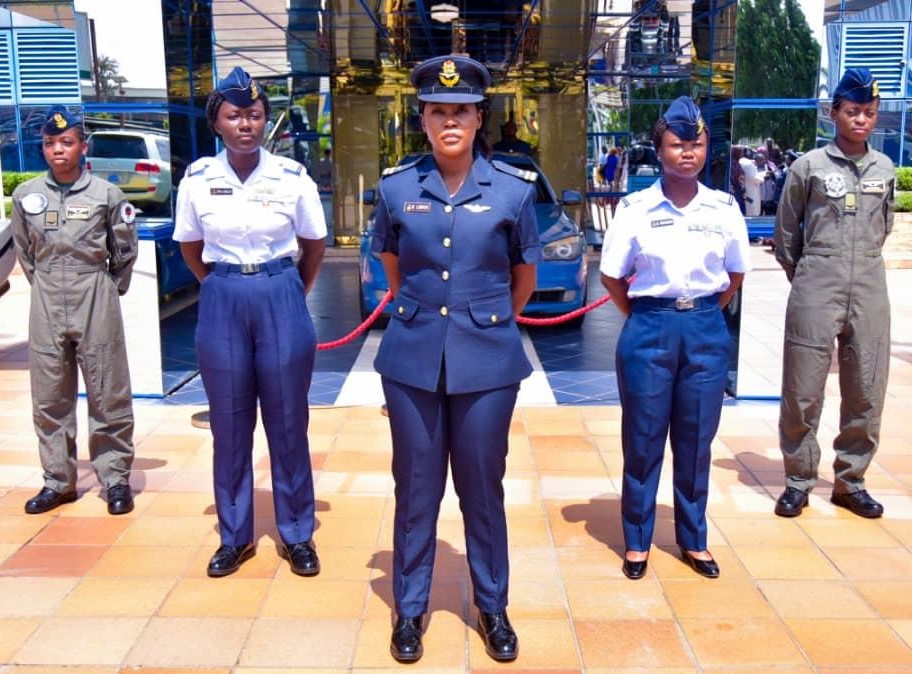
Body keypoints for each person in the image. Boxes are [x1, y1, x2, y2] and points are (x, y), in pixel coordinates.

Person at [371, 54, 539, 663]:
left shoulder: (513, 191)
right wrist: (427, 312)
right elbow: (391, 265)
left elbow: (523, 276)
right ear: (422, 118)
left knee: (482, 488)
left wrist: (479, 319)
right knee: (416, 489)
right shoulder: (396, 188)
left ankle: (492, 606)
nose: (450, 121)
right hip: (412, 360)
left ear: (478, 118)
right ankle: (410, 608)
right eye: (438, 110)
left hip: (488, 364)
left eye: (461, 111)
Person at [173, 67, 327, 577]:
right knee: (230, 424)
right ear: (217, 122)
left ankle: (297, 533)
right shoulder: (198, 179)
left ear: (265, 120)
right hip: (222, 296)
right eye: (235, 115)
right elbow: (190, 246)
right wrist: (222, 285)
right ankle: (234, 535)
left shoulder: (291, 176)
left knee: (288, 422)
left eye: (255, 115)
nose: (246, 124)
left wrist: (288, 289)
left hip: (281, 291)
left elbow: (314, 243)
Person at [599, 97, 751, 581]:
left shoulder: (724, 208)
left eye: (697, 144)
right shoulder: (636, 208)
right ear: (659, 150)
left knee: (695, 440)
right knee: (643, 440)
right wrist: (647, 315)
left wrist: (702, 314)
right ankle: (637, 540)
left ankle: (693, 539)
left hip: (704, 327)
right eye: (677, 144)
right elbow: (611, 276)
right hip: (649, 328)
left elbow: (735, 274)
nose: (688, 153)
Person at [773, 68, 894, 520]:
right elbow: (786, 234)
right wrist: (810, 274)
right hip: (817, 282)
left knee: (866, 387)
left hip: (869, 283)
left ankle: (851, 481)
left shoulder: (884, 168)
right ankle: (798, 480)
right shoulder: (808, 167)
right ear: (833, 113)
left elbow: (884, 226)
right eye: (853, 111)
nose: (861, 120)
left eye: (869, 112)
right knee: (802, 388)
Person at [11, 105, 138, 517]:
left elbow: (124, 251)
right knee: (49, 395)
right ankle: (58, 481)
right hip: (47, 295)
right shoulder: (26, 195)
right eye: (50, 143)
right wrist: (46, 283)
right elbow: (25, 252)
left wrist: (106, 288)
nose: (57, 150)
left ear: (83, 147)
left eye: (66, 142)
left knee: (107, 389)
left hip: (93, 292)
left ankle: (115, 477)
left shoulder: (106, 195)